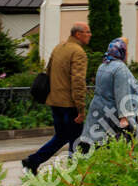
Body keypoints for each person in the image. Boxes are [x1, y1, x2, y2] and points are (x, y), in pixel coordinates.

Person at [22, 22, 90, 174]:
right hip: (70, 104)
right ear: (78, 34)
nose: (90, 35)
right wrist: (81, 109)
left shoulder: (58, 47)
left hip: (55, 101)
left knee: (62, 136)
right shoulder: (78, 52)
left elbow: (49, 71)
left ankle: (32, 161)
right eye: (87, 32)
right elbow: (78, 82)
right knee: (75, 140)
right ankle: (76, 173)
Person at [77, 37, 138, 153]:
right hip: (113, 115)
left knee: (94, 142)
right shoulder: (120, 68)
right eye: (126, 51)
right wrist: (124, 118)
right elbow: (122, 92)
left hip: (99, 109)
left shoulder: (103, 65)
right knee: (119, 147)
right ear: (121, 51)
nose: (127, 53)